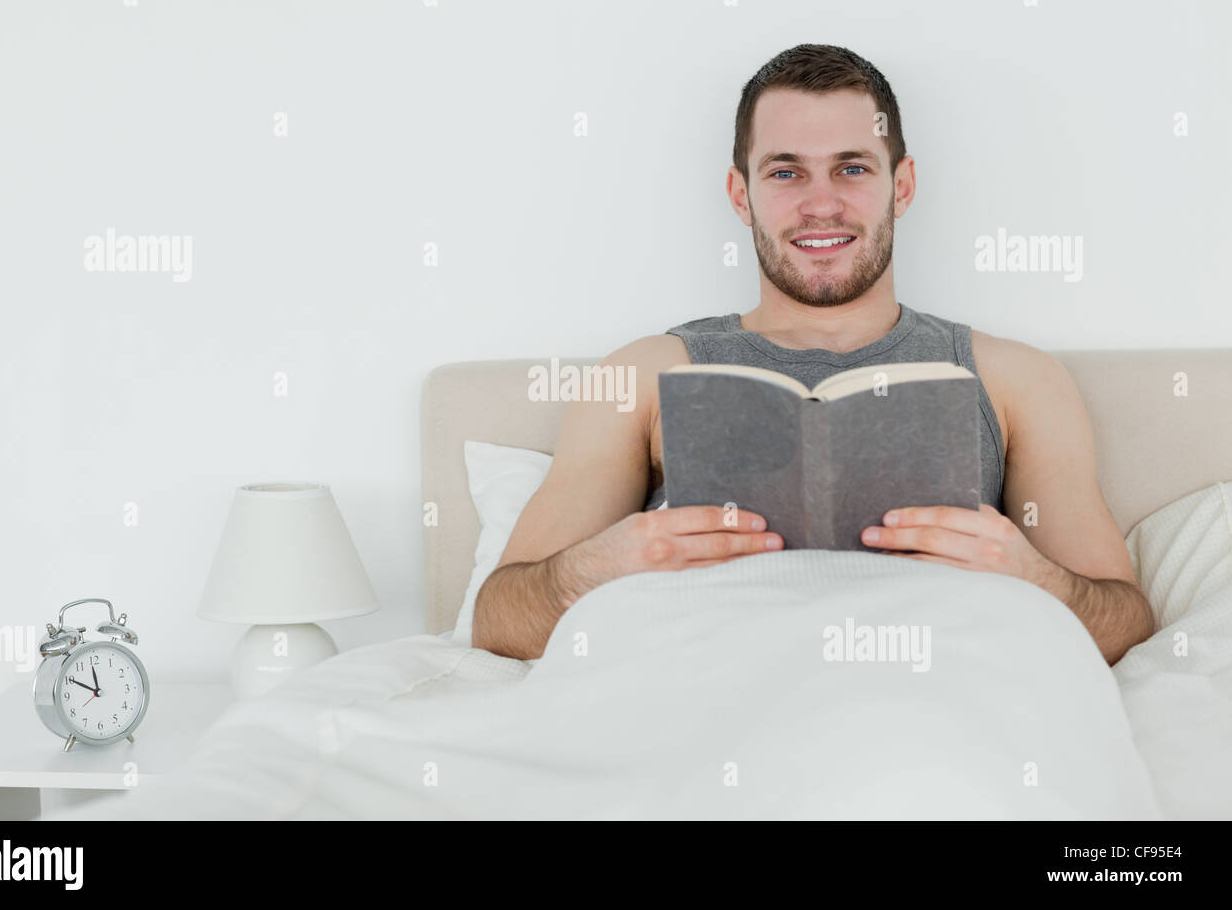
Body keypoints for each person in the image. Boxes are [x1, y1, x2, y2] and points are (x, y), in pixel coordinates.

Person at [472, 44, 1152, 666]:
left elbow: (1127, 626)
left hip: (929, 692)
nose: (821, 204)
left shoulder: (1016, 380)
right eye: (786, 172)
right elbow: (498, 624)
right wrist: (602, 565)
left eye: (852, 168)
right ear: (742, 195)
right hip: (710, 687)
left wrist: (1032, 576)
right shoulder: (645, 374)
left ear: (902, 185)